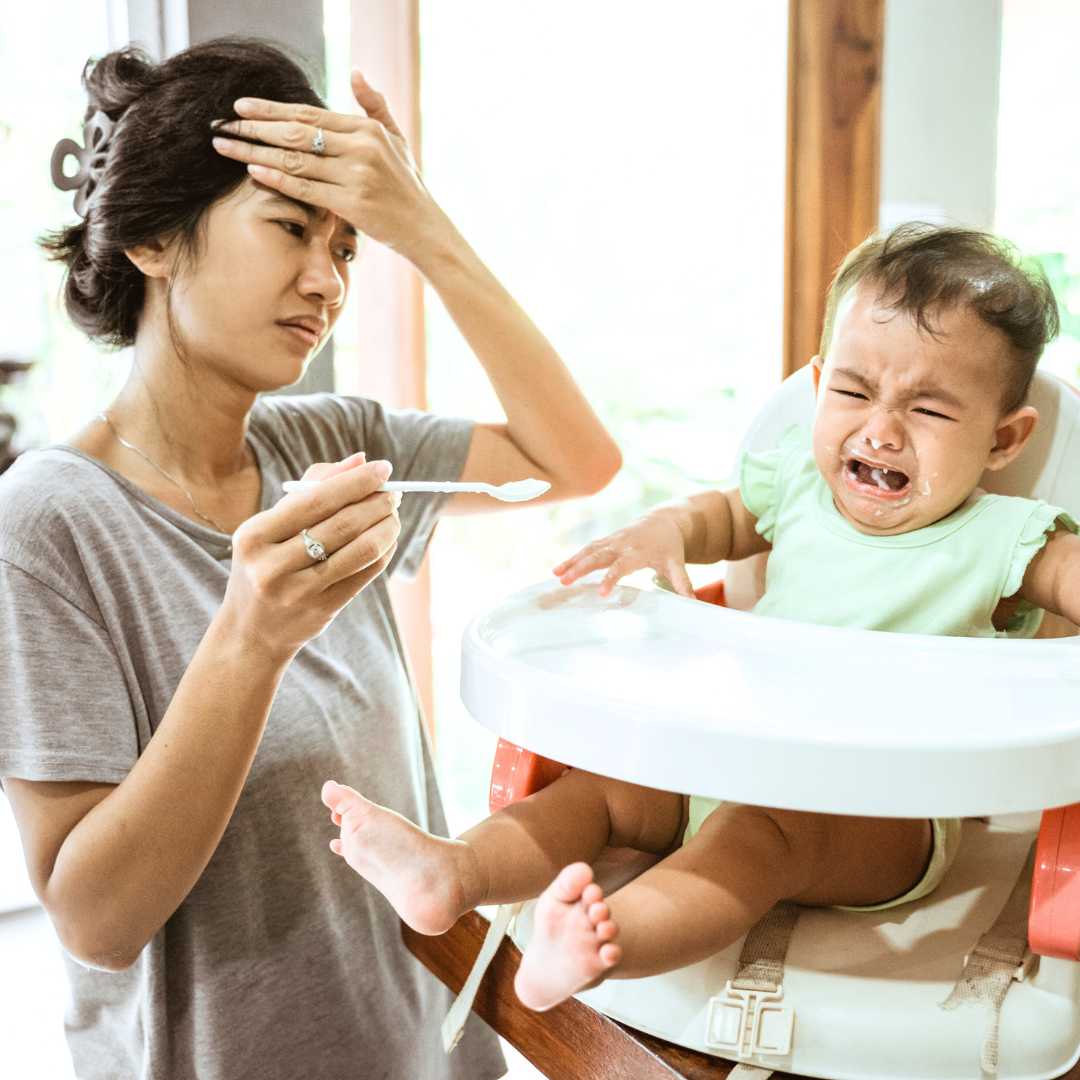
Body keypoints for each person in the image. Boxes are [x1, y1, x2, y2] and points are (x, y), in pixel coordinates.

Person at [0, 39, 621, 1079]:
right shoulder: (47, 525)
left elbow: (575, 460)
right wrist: (250, 638)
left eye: (347, 247)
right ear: (155, 236)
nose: (326, 280)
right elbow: (97, 920)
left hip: (428, 1051)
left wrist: (424, 231)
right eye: (292, 227)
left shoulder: (321, 447)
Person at [321, 223, 1080, 1013]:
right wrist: (669, 532)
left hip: (885, 813)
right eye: (853, 392)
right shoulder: (798, 484)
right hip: (735, 755)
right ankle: (454, 874)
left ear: (1004, 439)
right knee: (604, 791)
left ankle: (601, 944)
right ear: (819, 386)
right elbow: (720, 514)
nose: (880, 429)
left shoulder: (1002, 535)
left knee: (761, 836)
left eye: (928, 409)